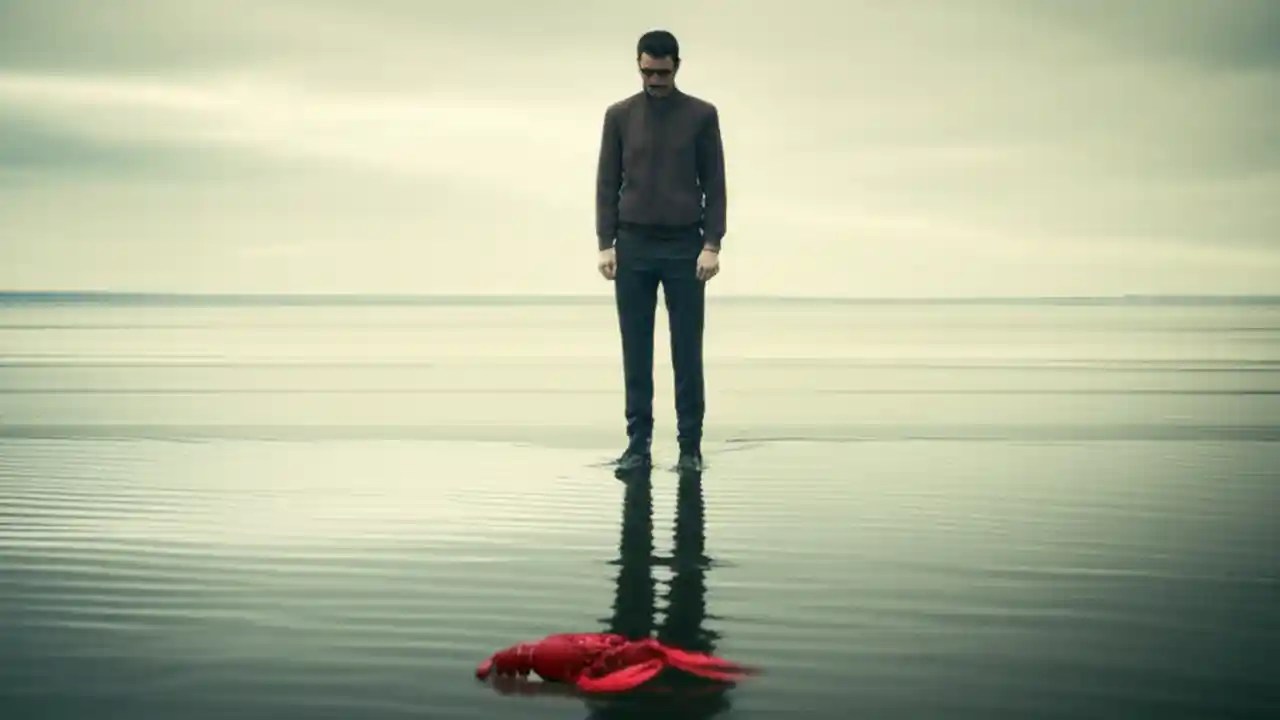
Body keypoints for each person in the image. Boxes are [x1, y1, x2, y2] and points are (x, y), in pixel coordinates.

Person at [595, 29, 727, 474]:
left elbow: (715, 184)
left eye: (663, 72)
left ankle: (690, 446)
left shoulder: (701, 115)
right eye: (647, 71)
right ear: (638, 65)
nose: (655, 80)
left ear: (677, 66)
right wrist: (604, 243)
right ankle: (638, 445)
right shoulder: (619, 116)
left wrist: (712, 244)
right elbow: (605, 182)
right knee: (636, 348)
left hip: (684, 246)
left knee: (687, 349)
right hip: (632, 245)